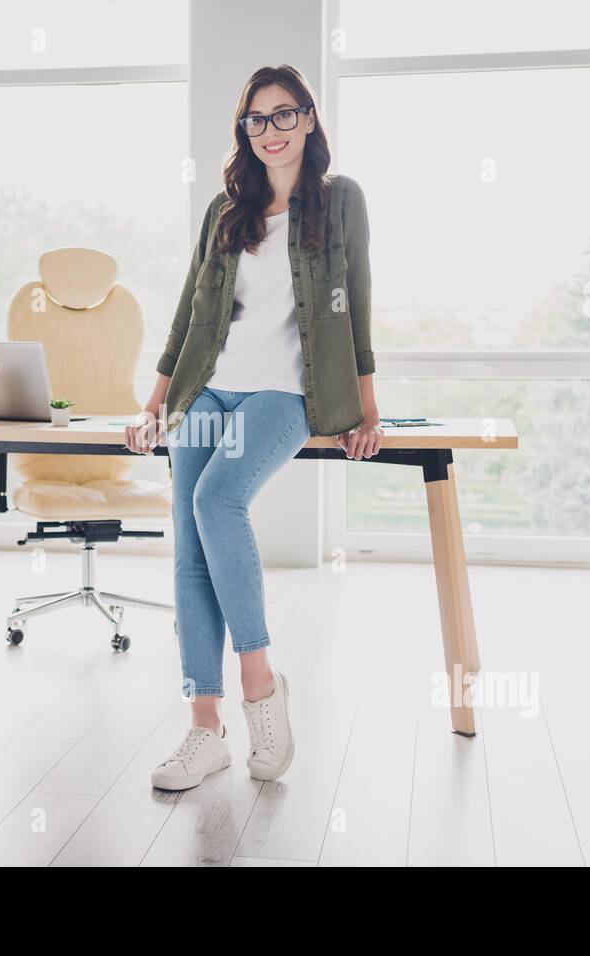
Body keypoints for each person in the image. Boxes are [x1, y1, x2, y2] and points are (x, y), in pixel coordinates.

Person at [125, 64, 382, 791]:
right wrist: (154, 406)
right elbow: (188, 316)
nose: (270, 131)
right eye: (256, 119)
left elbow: (357, 306)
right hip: (208, 389)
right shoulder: (224, 211)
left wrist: (367, 407)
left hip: (285, 394)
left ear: (308, 119)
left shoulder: (340, 203)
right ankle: (204, 729)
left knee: (217, 501)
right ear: (244, 130)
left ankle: (261, 686)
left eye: (284, 115)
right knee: (189, 544)